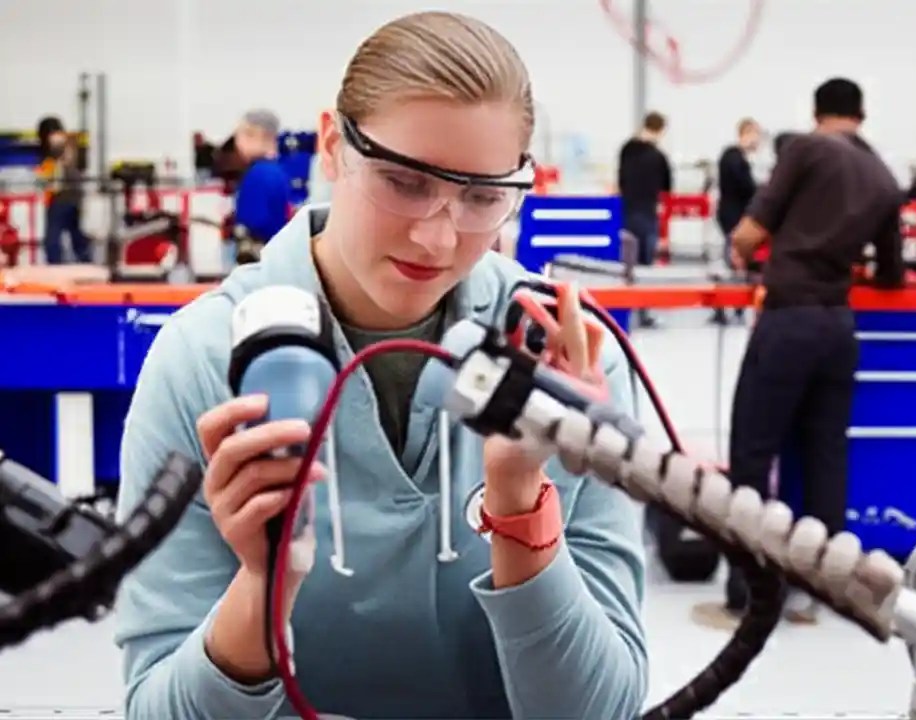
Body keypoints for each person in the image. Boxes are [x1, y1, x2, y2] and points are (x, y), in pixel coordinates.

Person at [113, 12, 646, 719]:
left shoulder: (558, 358)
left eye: (484, 197)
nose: (437, 236)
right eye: (404, 181)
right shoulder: (202, 359)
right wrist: (260, 588)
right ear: (333, 145)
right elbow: (155, 711)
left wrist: (519, 504)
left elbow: (602, 712)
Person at [698, 77, 904, 629]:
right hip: (840, 328)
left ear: (818, 112)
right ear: (861, 113)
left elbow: (747, 235)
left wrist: (751, 249)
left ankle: (745, 594)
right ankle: (822, 590)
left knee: (752, 452)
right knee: (824, 456)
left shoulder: (808, 149)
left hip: (789, 319)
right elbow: (891, 272)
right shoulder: (884, 176)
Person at [617, 111, 672, 328]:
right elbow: (667, 186)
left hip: (626, 209)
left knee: (627, 263)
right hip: (647, 212)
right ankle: (644, 311)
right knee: (645, 264)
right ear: (660, 130)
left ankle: (625, 308)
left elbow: (620, 178)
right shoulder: (658, 156)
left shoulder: (626, 149)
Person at [713, 117, 762, 324]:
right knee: (734, 261)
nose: (758, 142)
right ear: (747, 133)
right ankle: (726, 304)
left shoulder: (736, 157)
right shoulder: (734, 158)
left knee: (735, 261)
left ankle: (734, 306)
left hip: (733, 214)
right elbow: (746, 187)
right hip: (733, 215)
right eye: (756, 136)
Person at [230, 110, 293, 266]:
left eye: (241, 135)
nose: (237, 143)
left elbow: (254, 222)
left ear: (257, 135)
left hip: (260, 260)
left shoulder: (258, 174)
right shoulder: (280, 170)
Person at [37, 127, 91, 264]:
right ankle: (80, 258)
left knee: (68, 234)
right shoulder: (53, 163)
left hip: (66, 200)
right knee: (66, 235)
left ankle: (81, 259)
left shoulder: (66, 162)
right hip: (63, 200)